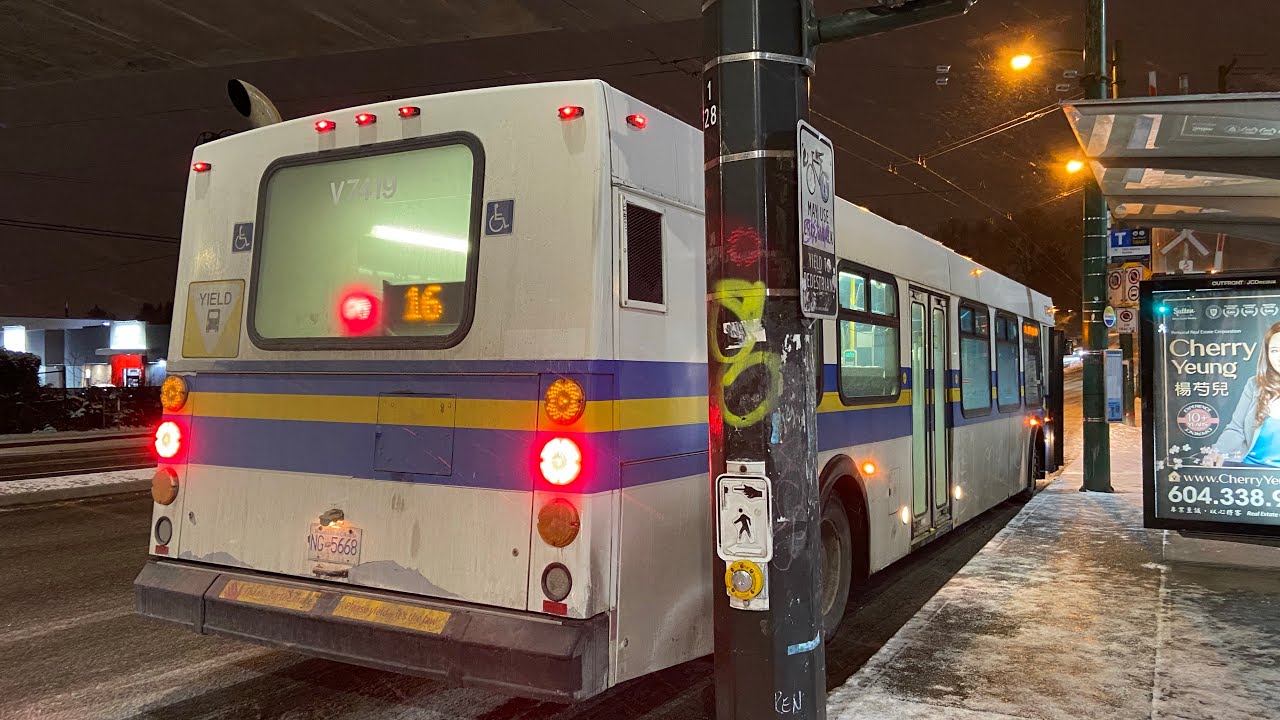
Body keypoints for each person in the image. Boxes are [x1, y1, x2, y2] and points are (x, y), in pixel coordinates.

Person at [1206, 321, 1280, 467]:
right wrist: (1217, 451)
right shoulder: (1254, 384)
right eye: (1274, 350)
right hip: (1249, 473)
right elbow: (1237, 429)